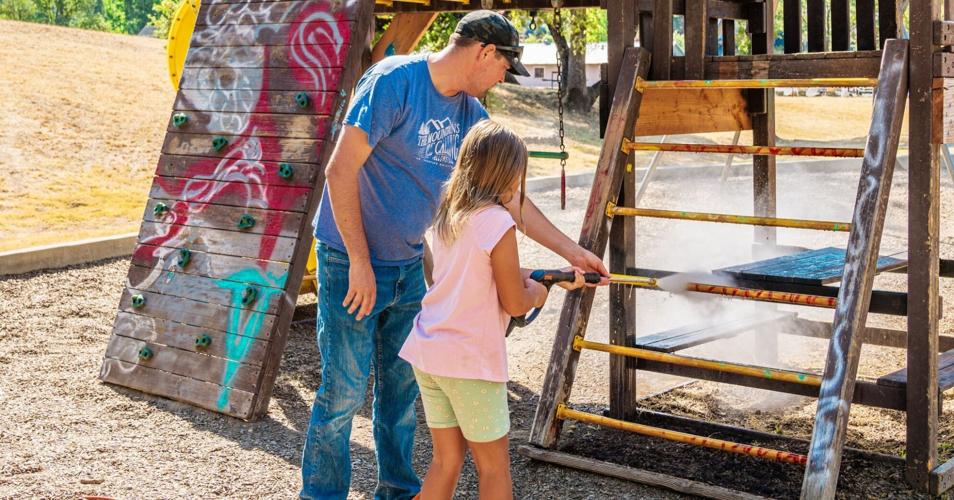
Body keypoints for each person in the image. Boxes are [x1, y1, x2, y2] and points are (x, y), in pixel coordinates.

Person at [301, 10, 608, 500]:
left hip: (407, 261)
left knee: (400, 393)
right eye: (504, 67)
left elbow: (510, 197)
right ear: (484, 52)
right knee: (343, 392)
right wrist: (358, 261)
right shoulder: (394, 82)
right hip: (348, 258)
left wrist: (575, 252)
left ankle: (397, 493)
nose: (502, 79)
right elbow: (340, 171)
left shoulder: (471, 115)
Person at [399, 120, 587, 500]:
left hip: (430, 351)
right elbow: (515, 302)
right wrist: (538, 293)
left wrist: (551, 273)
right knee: (493, 468)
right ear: (507, 173)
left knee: (446, 461)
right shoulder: (498, 221)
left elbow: (469, 271)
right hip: (468, 362)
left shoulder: (450, 213)